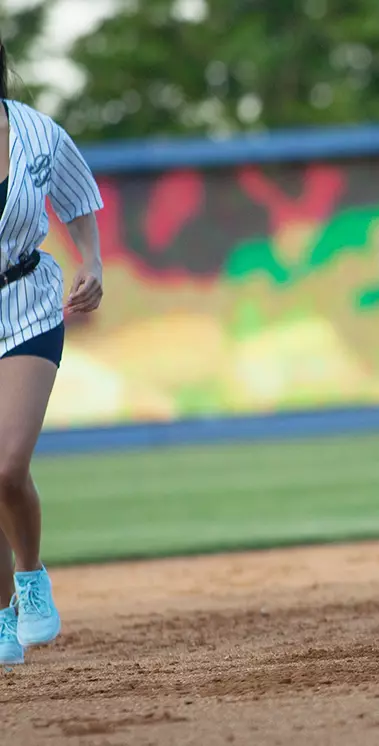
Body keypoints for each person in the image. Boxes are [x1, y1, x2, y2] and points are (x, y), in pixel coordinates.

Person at [0, 39, 106, 666]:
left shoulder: (38, 134)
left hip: (26, 302)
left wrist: (90, 260)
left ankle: (30, 577)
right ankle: (1, 618)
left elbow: (78, 197)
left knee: (6, 466)